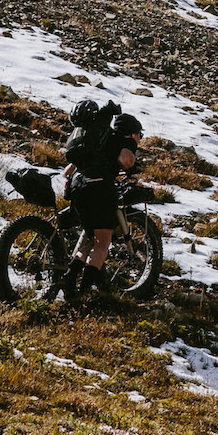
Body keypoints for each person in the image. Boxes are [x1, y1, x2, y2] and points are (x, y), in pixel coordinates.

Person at [57, 111, 142, 299]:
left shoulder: (97, 139)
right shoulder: (124, 139)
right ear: (133, 132)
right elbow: (125, 160)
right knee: (102, 242)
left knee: (89, 236)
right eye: (140, 135)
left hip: (78, 189)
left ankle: (69, 279)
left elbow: (68, 169)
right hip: (100, 187)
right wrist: (131, 163)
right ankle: (84, 290)